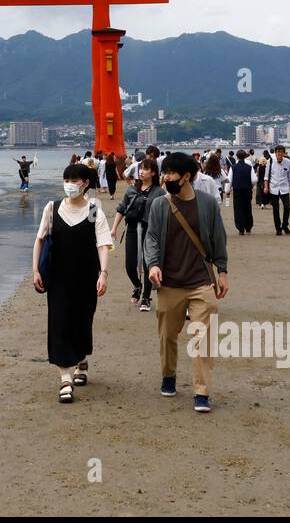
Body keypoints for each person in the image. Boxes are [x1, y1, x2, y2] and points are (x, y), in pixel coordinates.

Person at [143, 151, 229, 413]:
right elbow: (152, 238)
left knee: (203, 335)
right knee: (168, 335)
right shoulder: (159, 204)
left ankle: (201, 391)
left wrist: (222, 270)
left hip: (201, 281)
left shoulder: (207, 204)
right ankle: (168, 374)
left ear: (187, 176)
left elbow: (218, 237)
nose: (165, 177)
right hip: (170, 282)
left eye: (170, 173)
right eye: (164, 172)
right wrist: (153, 264)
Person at [32, 163, 111, 403]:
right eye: (66, 179)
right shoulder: (52, 208)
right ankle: (65, 379)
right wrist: (35, 269)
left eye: (75, 180)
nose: (70, 184)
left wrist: (103, 273)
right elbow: (40, 239)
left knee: (82, 320)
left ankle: (81, 359)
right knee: (59, 323)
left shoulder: (93, 209)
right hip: (57, 277)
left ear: (85, 183)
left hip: (86, 276)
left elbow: (102, 243)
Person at [110, 156, 162, 311]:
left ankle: (146, 297)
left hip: (150, 231)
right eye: (141, 168)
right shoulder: (131, 189)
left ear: (153, 172)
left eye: (145, 169)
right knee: (130, 265)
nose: (141, 172)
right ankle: (137, 286)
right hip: (132, 228)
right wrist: (114, 228)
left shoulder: (159, 192)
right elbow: (121, 208)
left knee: (148, 264)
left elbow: (163, 214)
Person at [264, 144, 290, 235]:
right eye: (278, 152)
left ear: (284, 153)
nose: (279, 154)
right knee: (275, 209)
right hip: (273, 189)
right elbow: (266, 177)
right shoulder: (270, 161)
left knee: (287, 207)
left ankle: (285, 225)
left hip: (284, 188)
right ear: (275, 153)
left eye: (281, 152)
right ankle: (278, 228)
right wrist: (266, 187)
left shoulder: (287, 162)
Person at [231, 149, 255, 235]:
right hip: (247, 190)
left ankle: (240, 228)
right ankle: (248, 227)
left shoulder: (233, 167)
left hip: (237, 190)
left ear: (236, 157)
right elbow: (254, 180)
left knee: (238, 209)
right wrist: (251, 185)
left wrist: (227, 191)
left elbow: (229, 180)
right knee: (247, 208)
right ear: (245, 156)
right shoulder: (249, 167)